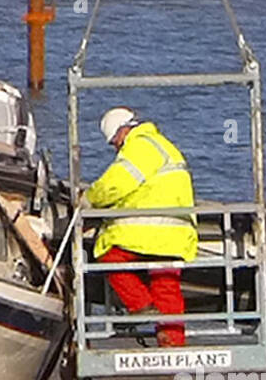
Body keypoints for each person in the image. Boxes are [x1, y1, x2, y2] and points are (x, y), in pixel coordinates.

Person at [83, 107, 198, 347]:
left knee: (108, 255)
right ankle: (173, 343)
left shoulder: (139, 147)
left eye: (114, 140)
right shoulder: (164, 145)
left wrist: (89, 199)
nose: (115, 146)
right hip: (177, 233)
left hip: (147, 229)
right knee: (166, 284)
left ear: (122, 132)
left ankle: (141, 305)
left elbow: (116, 185)